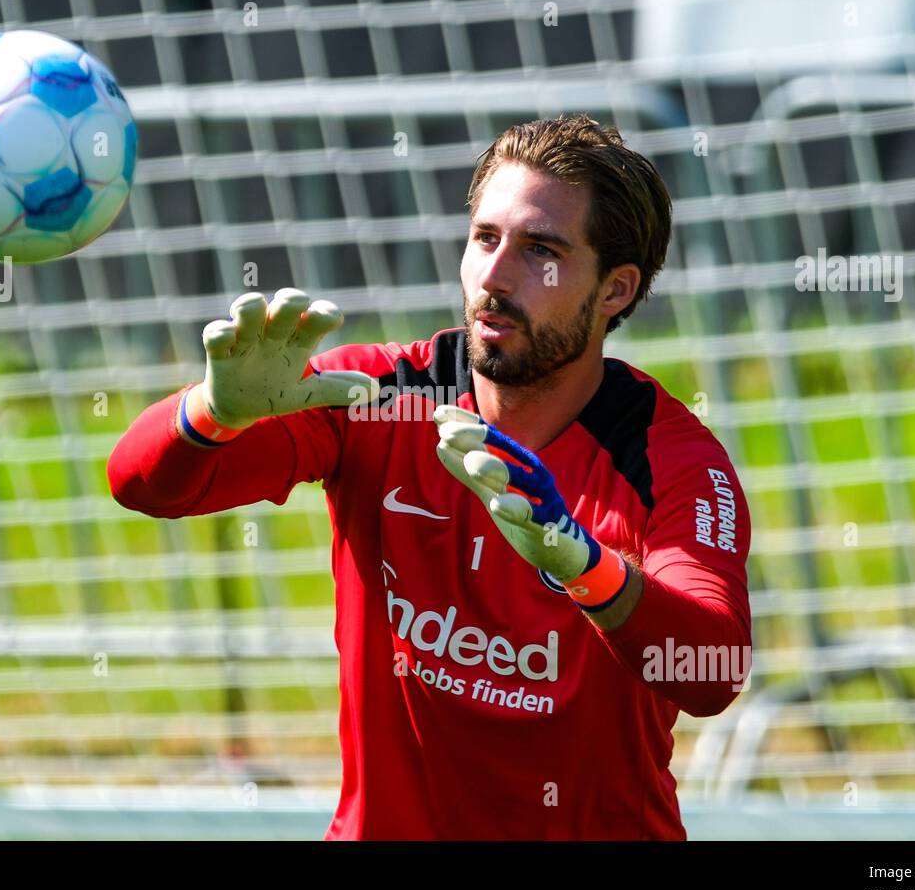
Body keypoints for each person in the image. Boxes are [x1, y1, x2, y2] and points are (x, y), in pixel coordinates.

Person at [107, 114, 752, 839]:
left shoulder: (669, 458)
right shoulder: (379, 394)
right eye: (485, 238)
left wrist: (584, 566)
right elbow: (142, 484)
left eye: (540, 251)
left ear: (615, 290)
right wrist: (212, 412)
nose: (496, 275)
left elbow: (712, 670)